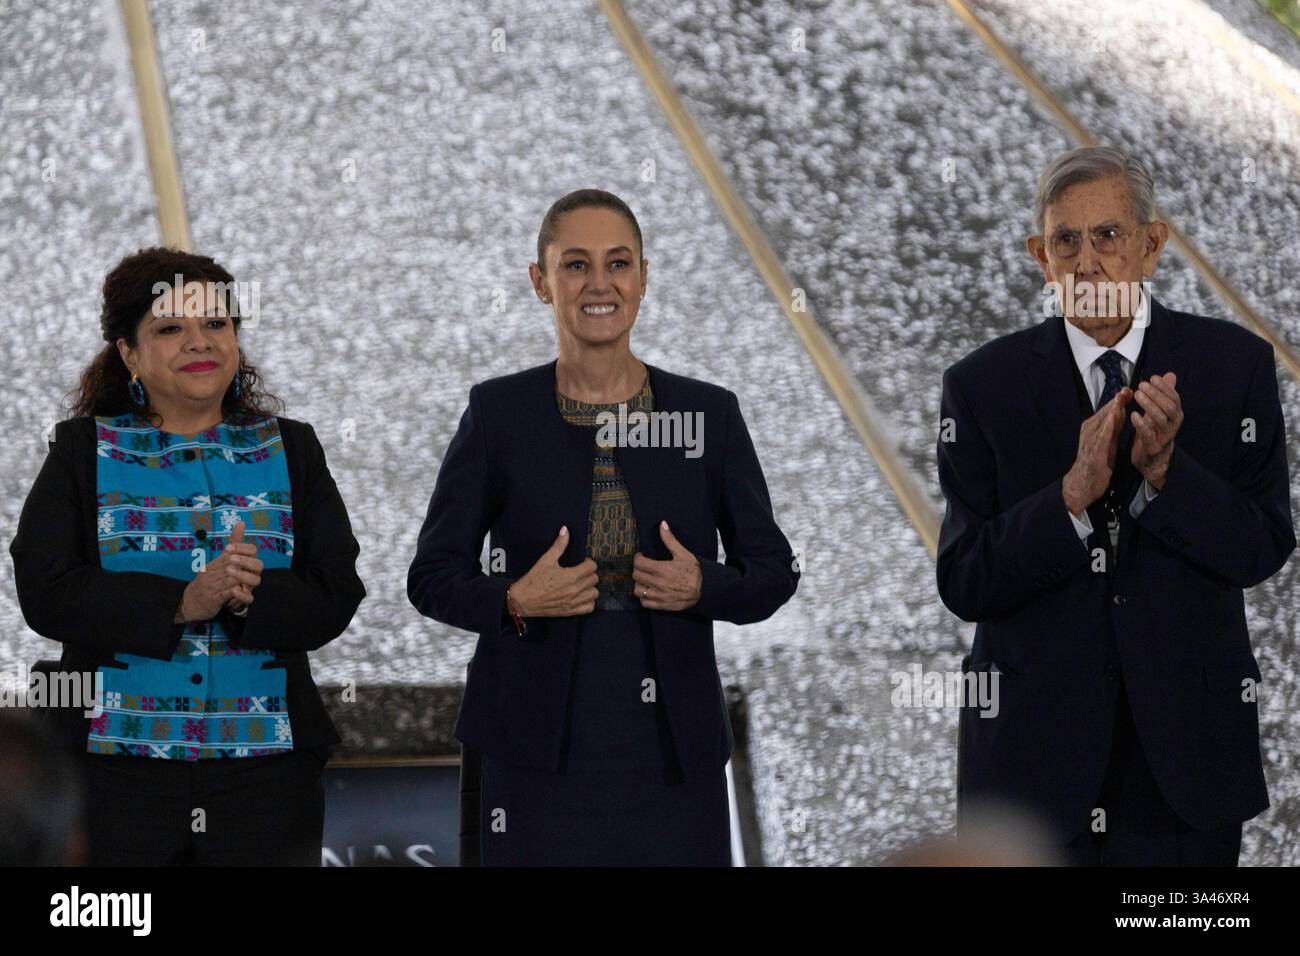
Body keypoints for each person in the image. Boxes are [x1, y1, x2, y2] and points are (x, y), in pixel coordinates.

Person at [408, 188, 800, 866]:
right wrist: (512, 601)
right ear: (541, 282)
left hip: (672, 750)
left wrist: (702, 585)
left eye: (618, 264)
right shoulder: (497, 414)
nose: (599, 284)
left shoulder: (710, 414)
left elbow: (771, 573)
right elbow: (432, 576)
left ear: (643, 279)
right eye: (575, 265)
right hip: (533, 751)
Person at [937, 146, 1295, 865]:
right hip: (1031, 791)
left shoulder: (1236, 367)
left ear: (1151, 245)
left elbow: (1262, 547)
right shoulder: (981, 386)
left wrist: (1168, 473)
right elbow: (964, 580)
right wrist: (1067, 498)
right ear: (1041, 256)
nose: (1088, 261)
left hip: (1185, 782)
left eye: (1108, 236)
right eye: (1066, 241)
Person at [9, 247, 365, 865]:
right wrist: (179, 603)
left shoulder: (294, 447)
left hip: (265, 778)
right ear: (129, 352)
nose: (199, 342)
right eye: (170, 328)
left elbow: (336, 589)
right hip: (113, 772)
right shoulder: (80, 450)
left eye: (216, 325)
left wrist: (252, 597)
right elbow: (46, 590)